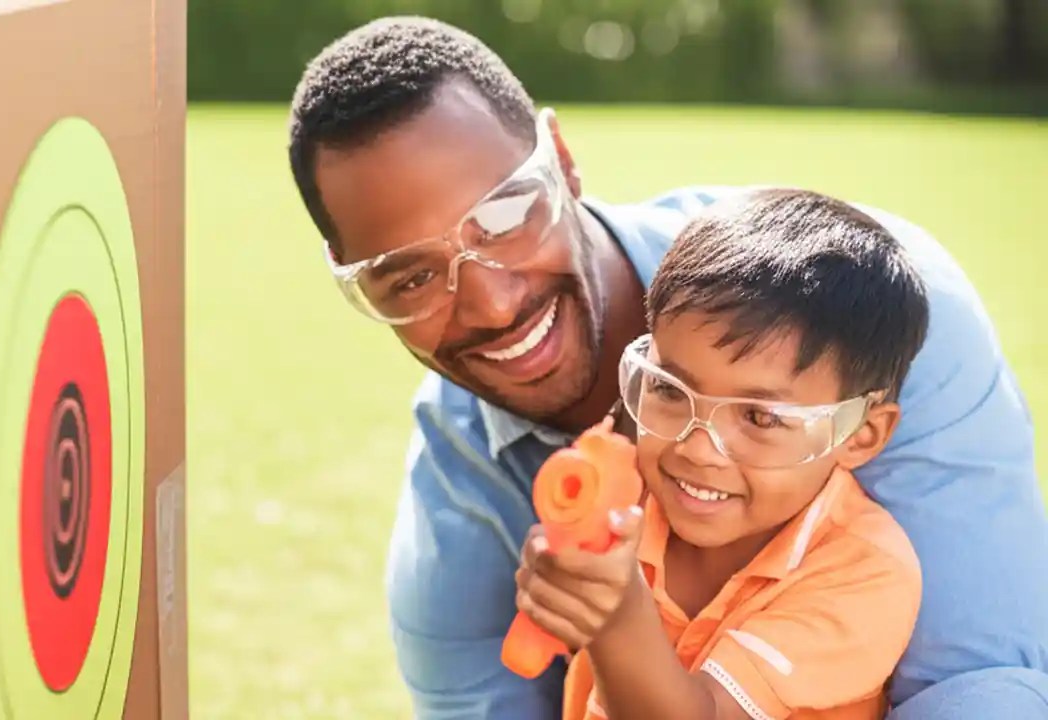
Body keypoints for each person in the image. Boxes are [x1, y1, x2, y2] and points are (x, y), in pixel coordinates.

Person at [286, 15, 1048, 719]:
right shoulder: (466, 506)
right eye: (411, 278)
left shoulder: (886, 320)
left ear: (564, 165)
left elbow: (979, 685)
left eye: (506, 215)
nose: (487, 304)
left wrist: (615, 619)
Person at [516, 187, 928, 720]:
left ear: (860, 435)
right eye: (668, 391)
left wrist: (616, 618)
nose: (697, 449)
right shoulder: (627, 492)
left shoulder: (865, 572)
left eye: (760, 418)